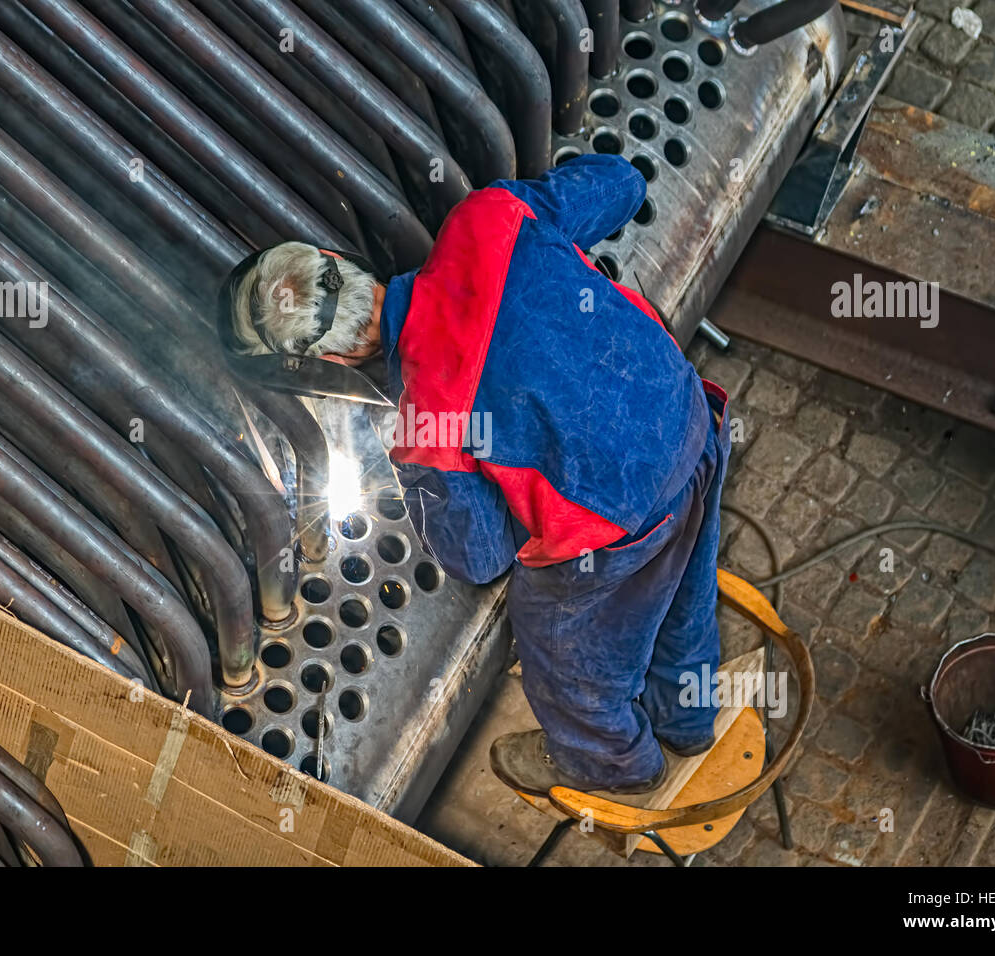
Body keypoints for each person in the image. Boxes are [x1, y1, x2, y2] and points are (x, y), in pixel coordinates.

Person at [222, 154, 730, 798]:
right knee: (686, 592)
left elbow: (481, 557)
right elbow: (623, 183)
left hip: (624, 515)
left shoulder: (423, 416)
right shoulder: (488, 219)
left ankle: (614, 772)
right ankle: (687, 721)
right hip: (688, 412)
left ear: (331, 356)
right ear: (335, 260)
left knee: (560, 643)